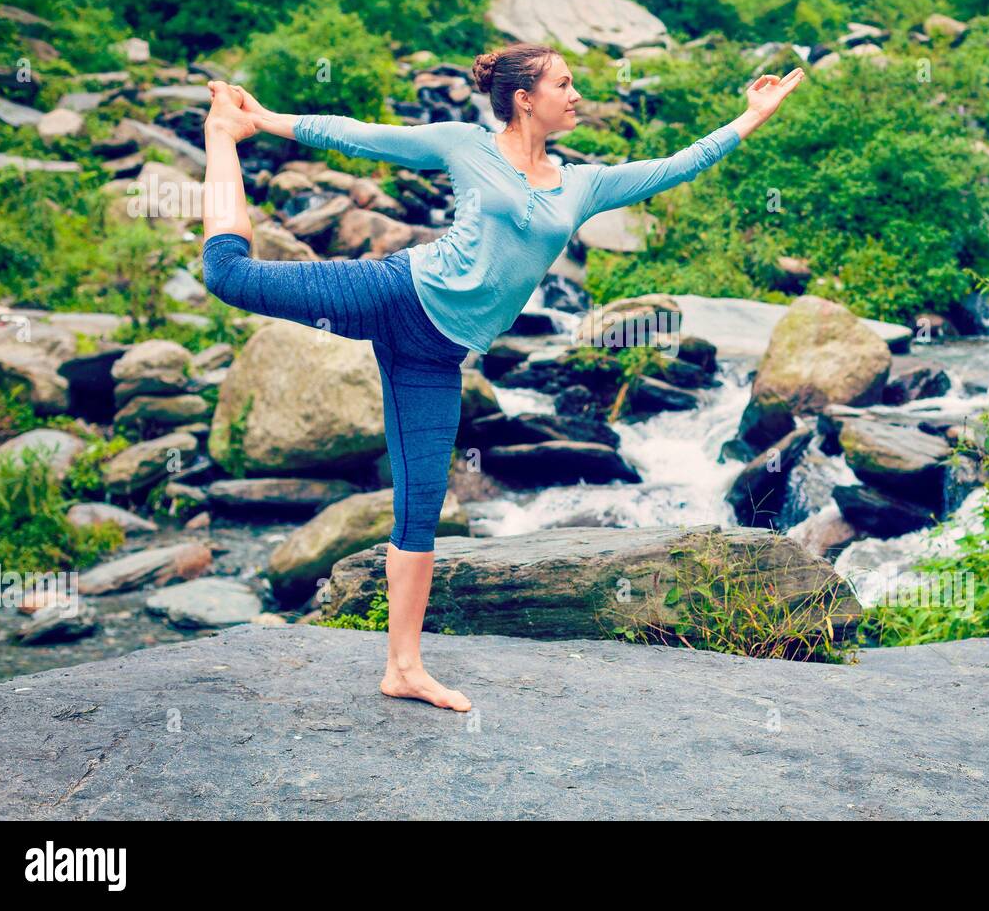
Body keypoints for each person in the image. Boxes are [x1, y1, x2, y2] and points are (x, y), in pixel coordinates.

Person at [199, 42, 804, 711]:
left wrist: (751, 116)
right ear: (525, 97)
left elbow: (675, 166)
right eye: (565, 84)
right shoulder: (466, 144)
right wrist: (264, 117)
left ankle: (403, 666)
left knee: (421, 509)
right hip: (395, 293)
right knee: (229, 276)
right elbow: (362, 137)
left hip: (435, 355)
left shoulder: (582, 184)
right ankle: (221, 136)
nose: (577, 95)